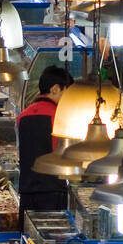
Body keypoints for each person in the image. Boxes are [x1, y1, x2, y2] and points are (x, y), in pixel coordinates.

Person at [17, 65, 74, 226]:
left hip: (27, 192)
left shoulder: (23, 116)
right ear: (55, 89)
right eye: (67, 94)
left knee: (28, 243)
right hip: (53, 194)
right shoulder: (59, 117)